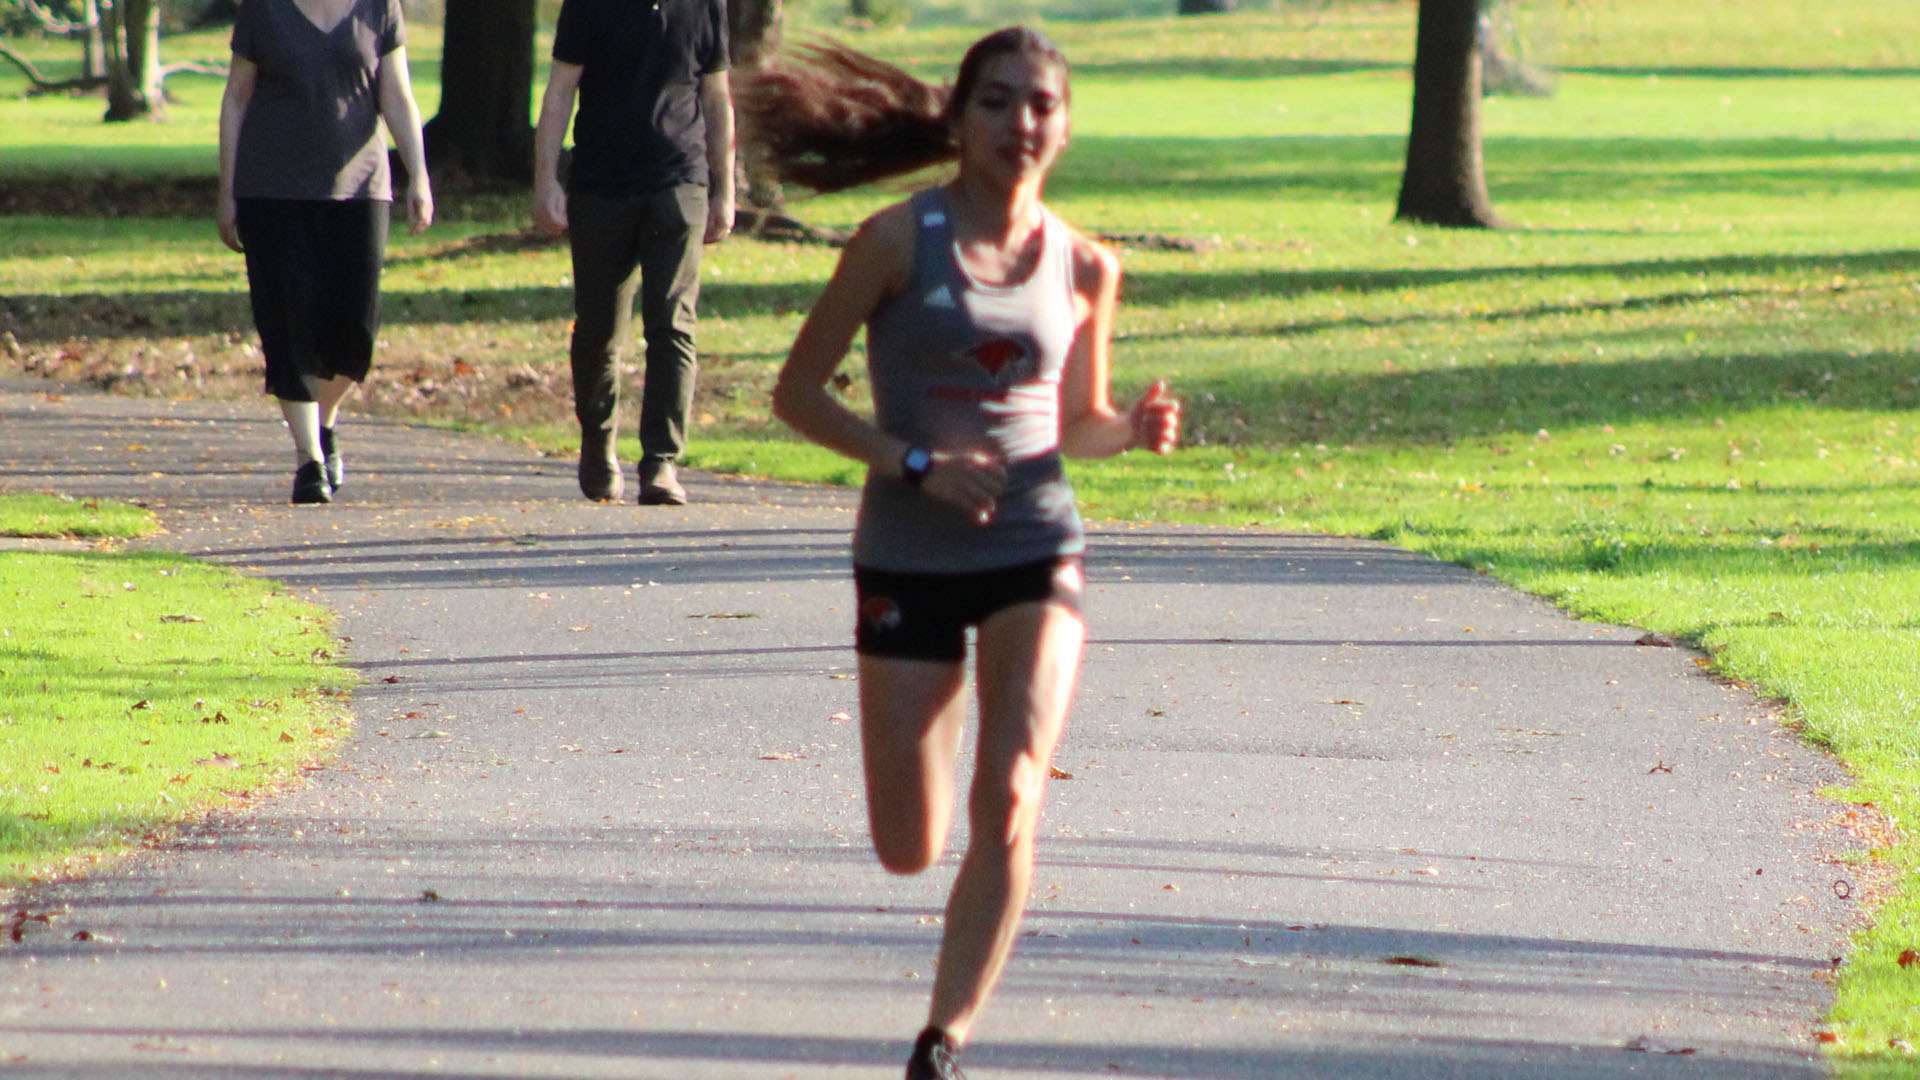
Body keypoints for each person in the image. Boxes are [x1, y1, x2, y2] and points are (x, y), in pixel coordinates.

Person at [751, 28, 1181, 1080]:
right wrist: (913, 463)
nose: (1020, 123)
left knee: (1014, 792)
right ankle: (933, 774)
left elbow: (1075, 422)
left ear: (1064, 127)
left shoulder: (1088, 265)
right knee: (909, 844)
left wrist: (1129, 431)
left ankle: (943, 1041)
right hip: (908, 553)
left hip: (1036, 544)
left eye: (1041, 105)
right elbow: (796, 394)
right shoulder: (897, 240)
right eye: (997, 101)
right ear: (957, 117)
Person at [216, 0, 433, 505]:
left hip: (361, 188)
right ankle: (309, 459)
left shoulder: (379, 7)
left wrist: (419, 176)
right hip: (273, 190)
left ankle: (324, 422)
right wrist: (228, 190)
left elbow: (397, 95)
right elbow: (236, 98)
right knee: (288, 322)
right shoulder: (263, 10)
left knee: (354, 331)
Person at [533, 0, 736, 506]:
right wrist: (546, 181)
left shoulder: (705, 5)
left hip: (679, 180)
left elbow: (716, 96)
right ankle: (598, 441)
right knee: (599, 328)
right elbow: (560, 91)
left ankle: (661, 461)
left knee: (673, 323)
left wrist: (725, 189)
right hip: (600, 185)